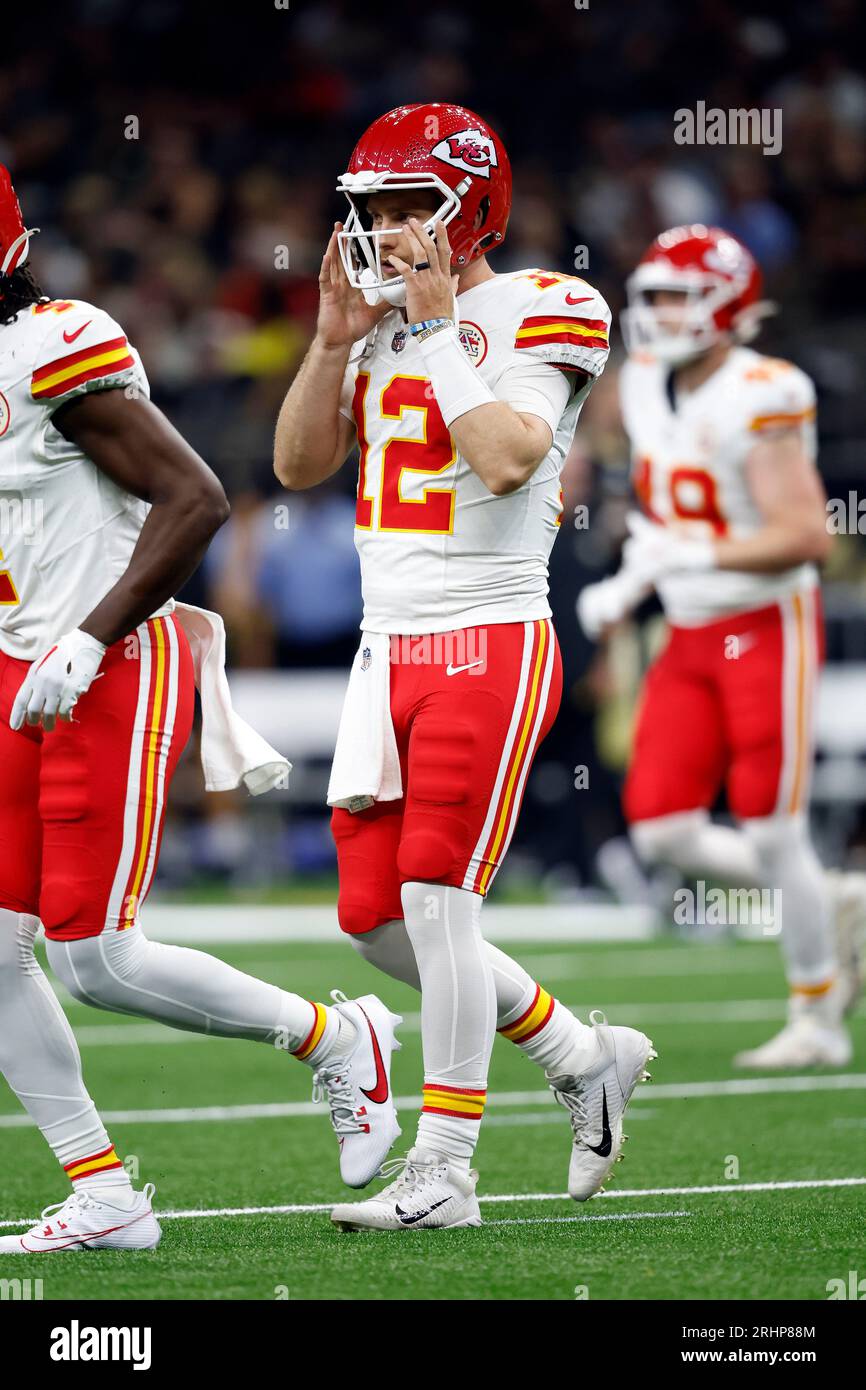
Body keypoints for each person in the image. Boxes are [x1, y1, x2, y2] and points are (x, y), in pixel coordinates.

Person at [0, 167, 399, 1254]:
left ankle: (334, 1037)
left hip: (107, 657)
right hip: (15, 664)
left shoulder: (52, 341)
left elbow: (196, 499)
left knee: (95, 957)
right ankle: (104, 1193)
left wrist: (85, 637)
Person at [275, 103, 655, 1232]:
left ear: (471, 210)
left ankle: (443, 1169)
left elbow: (500, 461)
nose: (385, 229)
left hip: (484, 631)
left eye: (407, 207)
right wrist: (335, 339)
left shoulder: (547, 302)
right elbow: (298, 464)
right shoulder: (380, 316)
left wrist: (436, 327)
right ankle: (581, 1052)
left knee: (438, 896)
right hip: (382, 643)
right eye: (372, 208)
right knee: (372, 916)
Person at [579, 223, 861, 1069]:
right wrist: (636, 579)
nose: (657, 313)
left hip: (764, 625)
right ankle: (840, 899)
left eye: (675, 296)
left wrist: (686, 556)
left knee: (776, 832)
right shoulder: (641, 386)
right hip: (688, 628)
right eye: (651, 295)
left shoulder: (763, 390)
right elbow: (664, 513)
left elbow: (807, 535)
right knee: (663, 830)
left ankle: (818, 1014)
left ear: (727, 306)